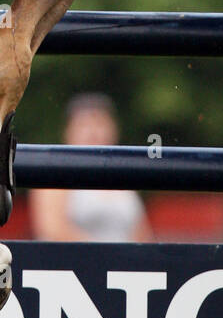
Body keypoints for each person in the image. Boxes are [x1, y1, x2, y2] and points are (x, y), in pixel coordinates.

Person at [29, 94, 151, 242]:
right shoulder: (54, 172)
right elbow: (52, 229)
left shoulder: (125, 178)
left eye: (100, 124)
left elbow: (142, 235)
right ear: (68, 131)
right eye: (83, 125)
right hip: (75, 262)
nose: (92, 132)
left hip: (124, 263)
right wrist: (109, 253)